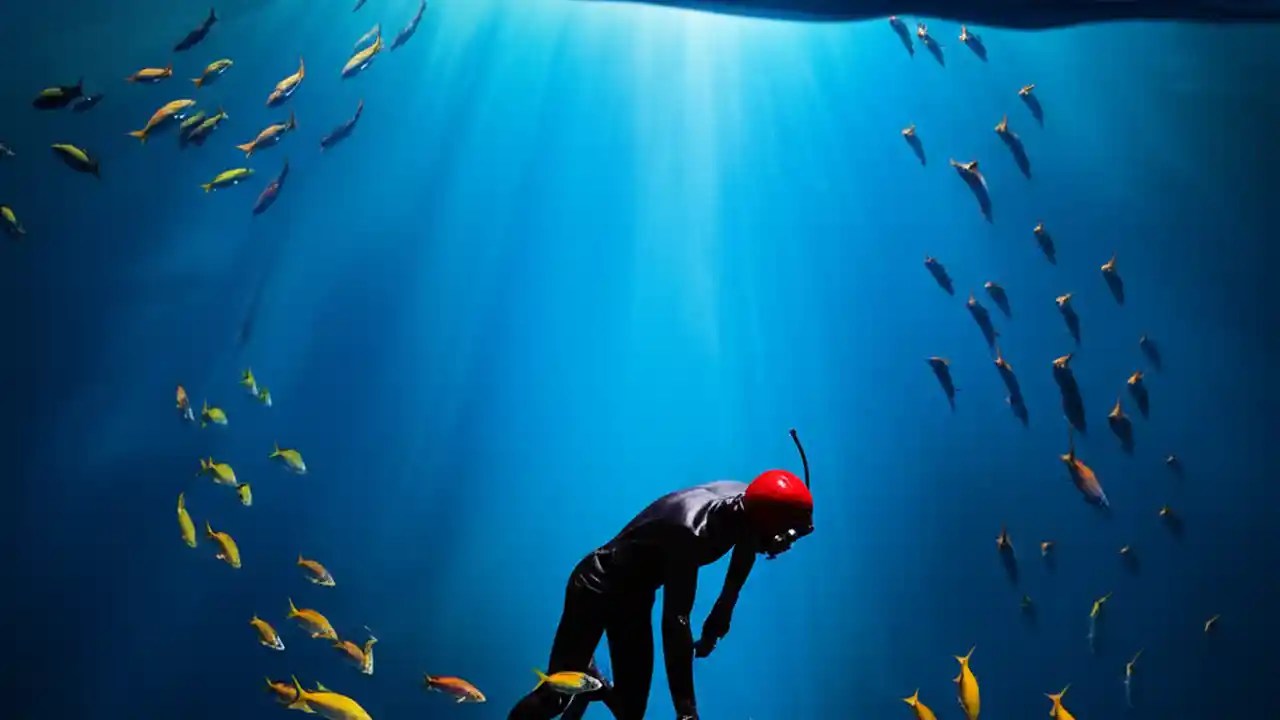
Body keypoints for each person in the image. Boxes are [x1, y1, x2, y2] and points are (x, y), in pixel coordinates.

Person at [508, 429, 816, 720]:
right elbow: (676, 623)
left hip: (636, 596)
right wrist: (686, 712)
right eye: (782, 534)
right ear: (765, 520)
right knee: (554, 697)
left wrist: (721, 615)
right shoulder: (691, 532)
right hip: (596, 586)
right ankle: (578, 681)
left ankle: (591, 684)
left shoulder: (748, 500)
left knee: (631, 712)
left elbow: (747, 543)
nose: (784, 542)